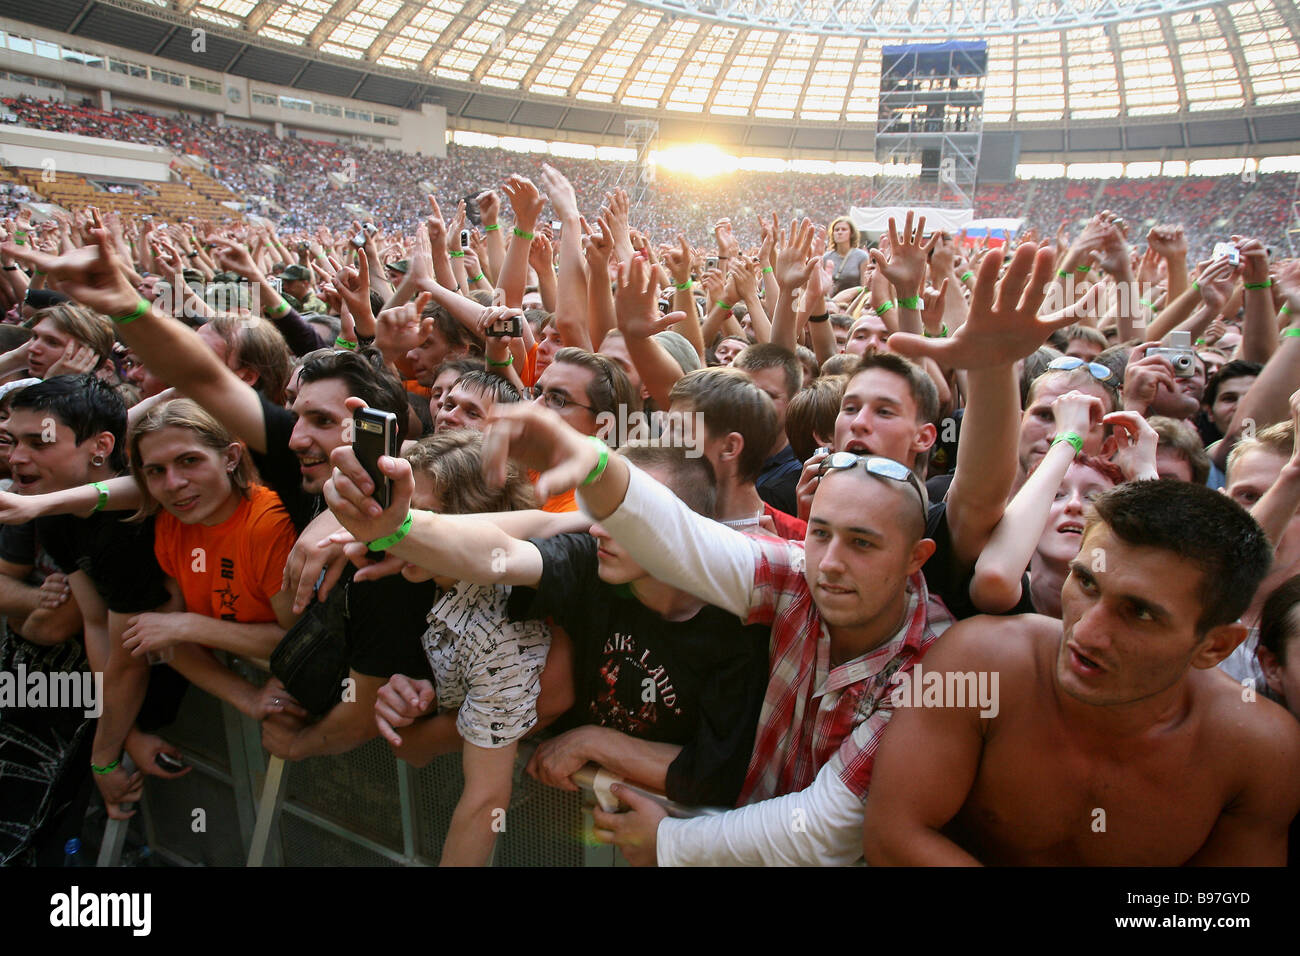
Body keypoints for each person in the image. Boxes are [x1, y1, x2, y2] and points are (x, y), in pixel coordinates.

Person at [471, 399, 949, 865]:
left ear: (916, 558)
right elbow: (685, 540)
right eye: (820, 533)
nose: (832, 563)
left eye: (863, 543)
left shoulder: (935, 663)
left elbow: (826, 827)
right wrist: (598, 464)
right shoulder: (796, 571)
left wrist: (672, 840)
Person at [862, 480, 1300, 865]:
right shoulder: (978, 662)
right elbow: (894, 838)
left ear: (1215, 645)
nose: (1087, 633)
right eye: (1087, 583)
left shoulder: (1259, 751)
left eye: (1140, 612)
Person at [322, 437, 770, 813]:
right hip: (557, 808)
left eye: (630, 519)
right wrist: (396, 529)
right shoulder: (593, 563)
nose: (599, 530)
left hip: (661, 835)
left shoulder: (738, 626)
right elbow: (502, 553)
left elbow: (713, 775)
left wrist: (592, 741)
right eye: (602, 513)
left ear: (687, 530)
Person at [124, 398, 300, 720]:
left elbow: (294, 639)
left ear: (231, 457)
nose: (173, 484)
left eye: (189, 460)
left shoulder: (267, 524)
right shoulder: (170, 523)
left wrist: (189, 625)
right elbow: (164, 636)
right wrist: (247, 697)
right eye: (156, 471)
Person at [822, 216, 870, 296]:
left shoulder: (862, 256)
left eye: (844, 229)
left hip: (853, 303)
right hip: (831, 303)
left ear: (851, 233)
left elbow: (864, 287)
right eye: (836, 230)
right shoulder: (826, 257)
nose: (839, 232)